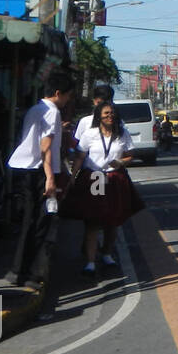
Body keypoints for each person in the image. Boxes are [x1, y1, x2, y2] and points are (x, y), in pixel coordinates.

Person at [6, 71, 75, 295]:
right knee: (42, 223)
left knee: (29, 221)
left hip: (24, 168)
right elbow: (45, 147)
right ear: (58, 93)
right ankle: (32, 274)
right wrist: (50, 179)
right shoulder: (52, 112)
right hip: (38, 171)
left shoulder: (36, 109)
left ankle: (18, 271)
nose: (68, 101)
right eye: (67, 96)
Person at [64, 101, 145, 273]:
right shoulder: (90, 134)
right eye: (106, 113)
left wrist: (121, 161)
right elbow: (79, 157)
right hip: (95, 178)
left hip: (115, 179)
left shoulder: (122, 134)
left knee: (112, 220)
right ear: (99, 116)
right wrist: (72, 177)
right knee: (94, 219)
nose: (110, 116)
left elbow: (130, 155)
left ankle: (107, 254)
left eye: (112, 113)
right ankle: (91, 262)